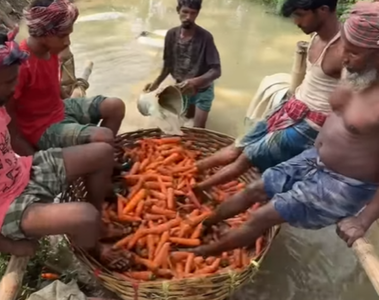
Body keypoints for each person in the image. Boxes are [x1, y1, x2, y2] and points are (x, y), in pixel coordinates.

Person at [187, 1, 379, 258]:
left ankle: (191, 254)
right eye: (345, 46)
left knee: (262, 215)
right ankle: (197, 226)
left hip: (344, 184)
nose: (344, 57)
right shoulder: (355, 70)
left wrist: (363, 221)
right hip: (314, 158)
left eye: (354, 53)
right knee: (254, 189)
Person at [0, 29, 122, 258]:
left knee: (104, 152)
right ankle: (93, 252)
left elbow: (12, 140)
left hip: (21, 170)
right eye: (8, 82)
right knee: (84, 216)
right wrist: (11, 247)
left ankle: (96, 223)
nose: (15, 89)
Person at [193, 0, 342, 192]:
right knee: (238, 145)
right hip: (293, 107)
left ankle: (193, 189)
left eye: (299, 15)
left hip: (311, 125)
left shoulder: (345, 51)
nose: (296, 22)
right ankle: (190, 170)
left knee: (247, 157)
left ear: (323, 11)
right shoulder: (316, 35)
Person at [7, 0, 125, 156]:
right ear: (43, 34)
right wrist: (32, 158)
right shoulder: (21, 64)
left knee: (116, 106)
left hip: (60, 108)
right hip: (41, 129)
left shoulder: (51, 51)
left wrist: (70, 101)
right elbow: (8, 121)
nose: (67, 42)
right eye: (63, 35)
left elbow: (52, 87)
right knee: (103, 136)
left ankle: (100, 156)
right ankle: (97, 161)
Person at [144, 0, 221, 128]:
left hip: (203, 89)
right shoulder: (171, 35)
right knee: (184, 121)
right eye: (185, 12)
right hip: (181, 89)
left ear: (197, 14)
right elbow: (168, 65)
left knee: (198, 129)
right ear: (178, 10)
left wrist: (194, 82)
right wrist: (156, 84)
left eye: (193, 13)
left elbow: (216, 70)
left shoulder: (206, 37)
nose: (188, 17)